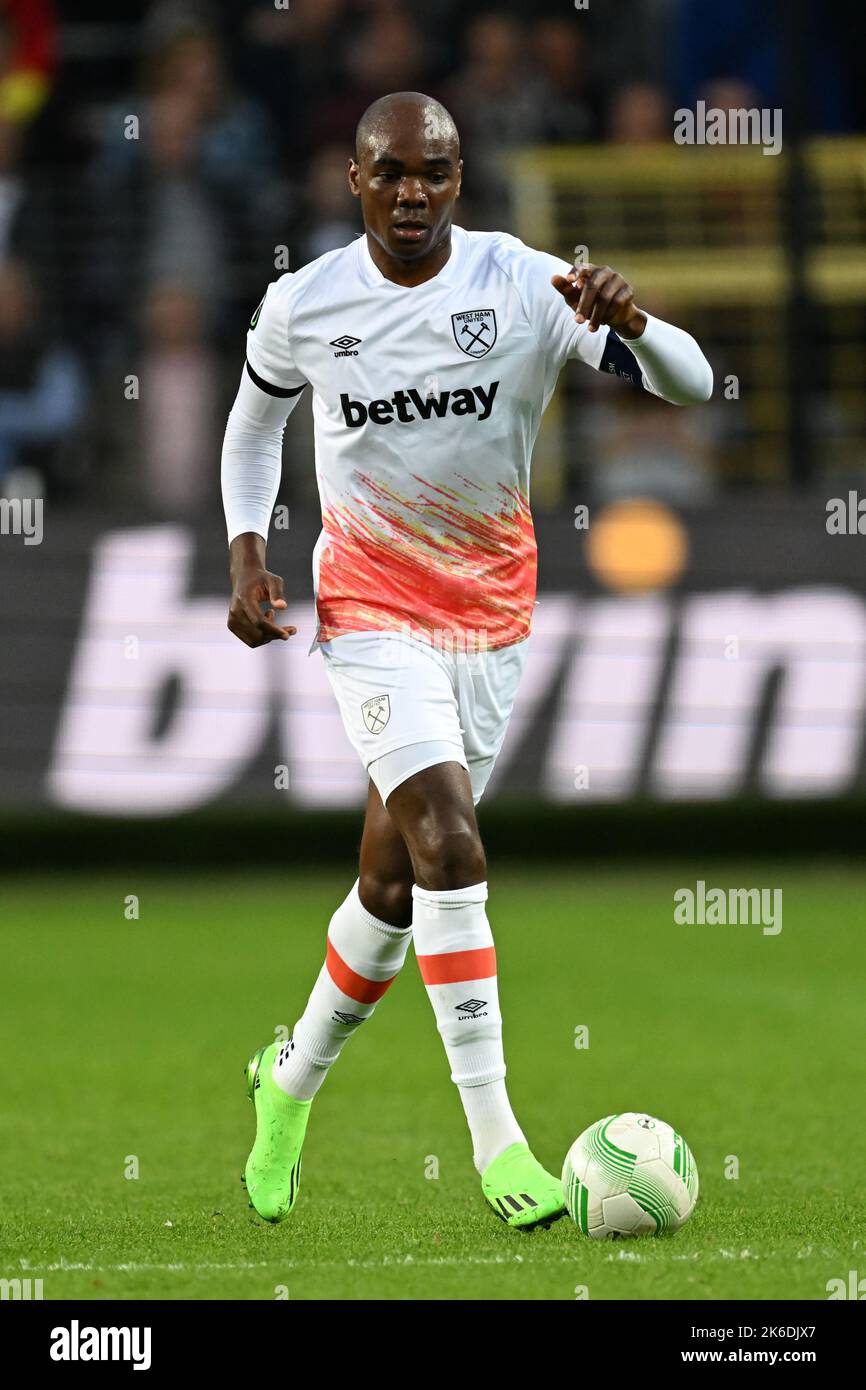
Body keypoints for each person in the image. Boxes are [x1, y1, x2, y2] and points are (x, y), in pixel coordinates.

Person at [220, 91, 712, 1229]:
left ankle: (285, 1081)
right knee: (449, 841)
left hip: (489, 618)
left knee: (392, 886)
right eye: (389, 173)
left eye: (432, 173)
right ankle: (500, 1147)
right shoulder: (306, 303)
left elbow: (688, 380)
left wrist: (633, 324)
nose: (410, 194)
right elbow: (254, 424)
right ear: (352, 180)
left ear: (458, 178)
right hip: (370, 606)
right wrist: (248, 550)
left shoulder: (519, 282)